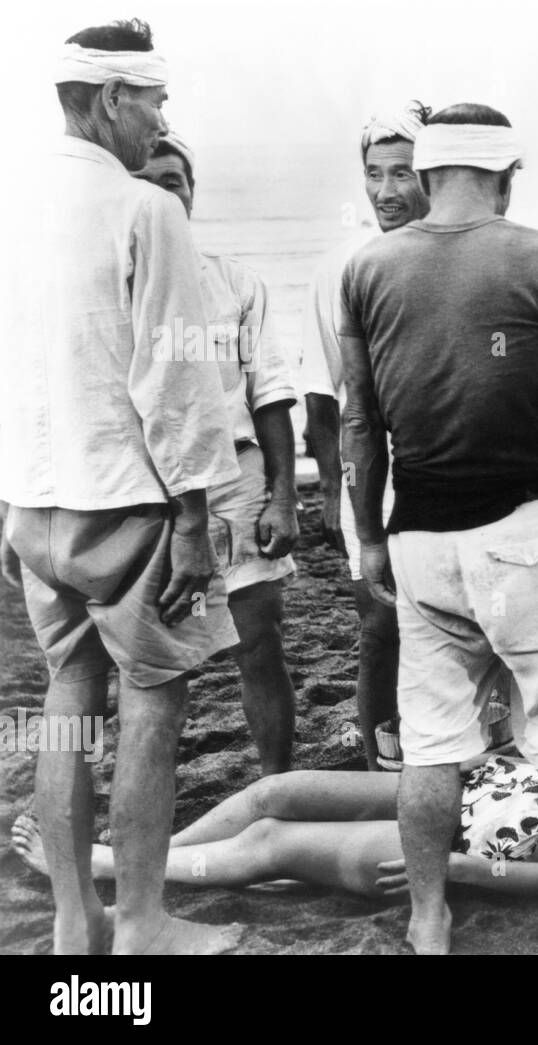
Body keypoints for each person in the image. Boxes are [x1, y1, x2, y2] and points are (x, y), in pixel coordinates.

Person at [338, 104, 538, 953]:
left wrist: (367, 536)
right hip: (526, 528)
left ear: (428, 174)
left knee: (432, 746)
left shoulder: (368, 267)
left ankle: (427, 915)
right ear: (506, 174)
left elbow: (360, 424)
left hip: (418, 536)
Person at [0, 19, 241, 955]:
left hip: (32, 501)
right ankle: (140, 922)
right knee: (151, 705)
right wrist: (194, 511)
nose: (159, 120)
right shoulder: (146, 209)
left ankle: (73, 921)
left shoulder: (13, 200)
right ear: (111, 100)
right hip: (125, 501)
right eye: (153, 102)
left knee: (66, 701)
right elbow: (175, 376)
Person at [11, 750, 538, 904]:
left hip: (450, 848)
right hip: (452, 787)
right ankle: (143, 857)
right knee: (272, 790)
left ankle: (106, 866)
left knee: (273, 843)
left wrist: (449, 875)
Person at [135, 133, 301, 776]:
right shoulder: (111, 291)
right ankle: (151, 804)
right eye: (145, 183)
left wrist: (283, 496)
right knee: (153, 659)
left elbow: (272, 395)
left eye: (172, 181)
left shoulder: (235, 283)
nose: (160, 194)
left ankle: (278, 786)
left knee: (259, 644)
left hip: (235, 478)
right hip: (146, 491)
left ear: (192, 192)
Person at [299, 101, 426, 771]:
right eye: (375, 173)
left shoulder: (459, 255)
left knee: (458, 620)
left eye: (403, 172)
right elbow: (322, 395)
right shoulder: (339, 269)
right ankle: (381, 753)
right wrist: (329, 488)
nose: (387, 191)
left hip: (454, 467)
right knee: (379, 623)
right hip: (370, 471)